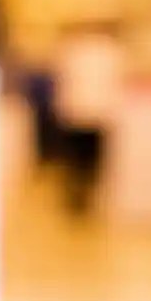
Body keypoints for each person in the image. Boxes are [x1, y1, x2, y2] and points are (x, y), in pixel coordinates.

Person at [52, 21, 125, 215]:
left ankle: (77, 194)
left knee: (75, 158)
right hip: (97, 111)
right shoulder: (112, 51)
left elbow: (62, 81)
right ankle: (85, 194)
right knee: (91, 158)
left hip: (78, 111)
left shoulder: (73, 50)